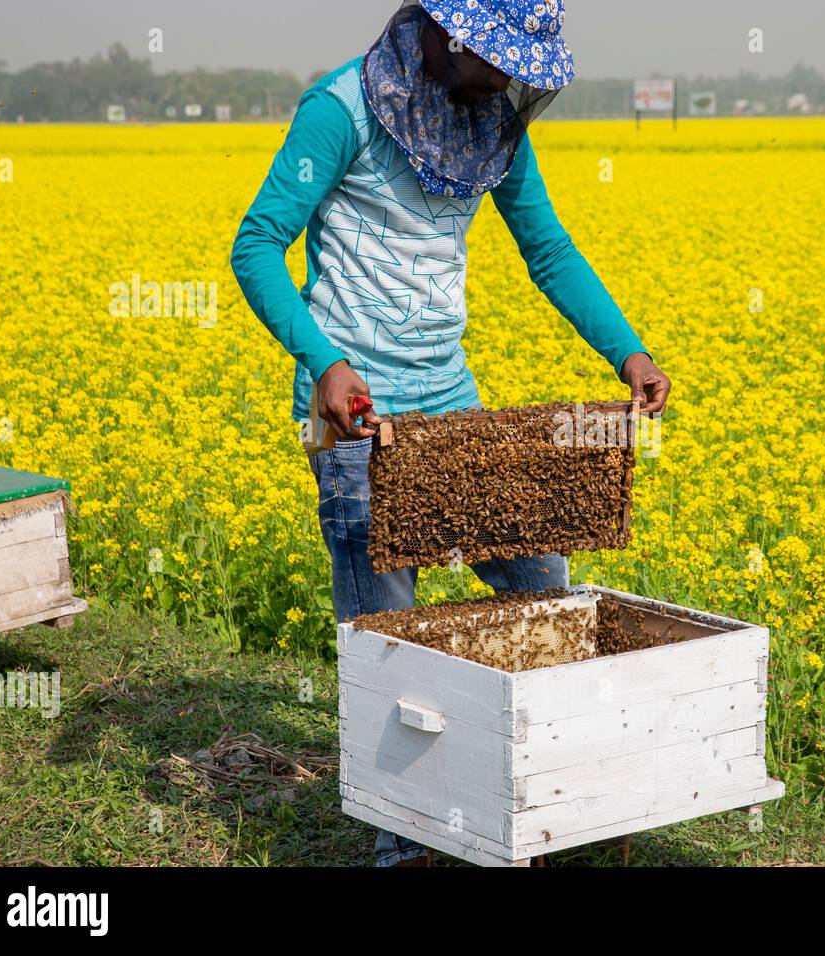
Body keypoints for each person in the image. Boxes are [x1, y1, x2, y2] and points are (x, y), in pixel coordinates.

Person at [230, 0, 670, 866]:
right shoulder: (341, 110)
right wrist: (323, 364)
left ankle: (526, 806)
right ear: (448, 34)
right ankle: (407, 846)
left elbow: (547, 249)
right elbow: (257, 245)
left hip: (449, 397)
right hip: (354, 416)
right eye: (497, 59)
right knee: (392, 641)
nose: (509, 80)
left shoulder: (492, 123)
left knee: (543, 585)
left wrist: (629, 352)